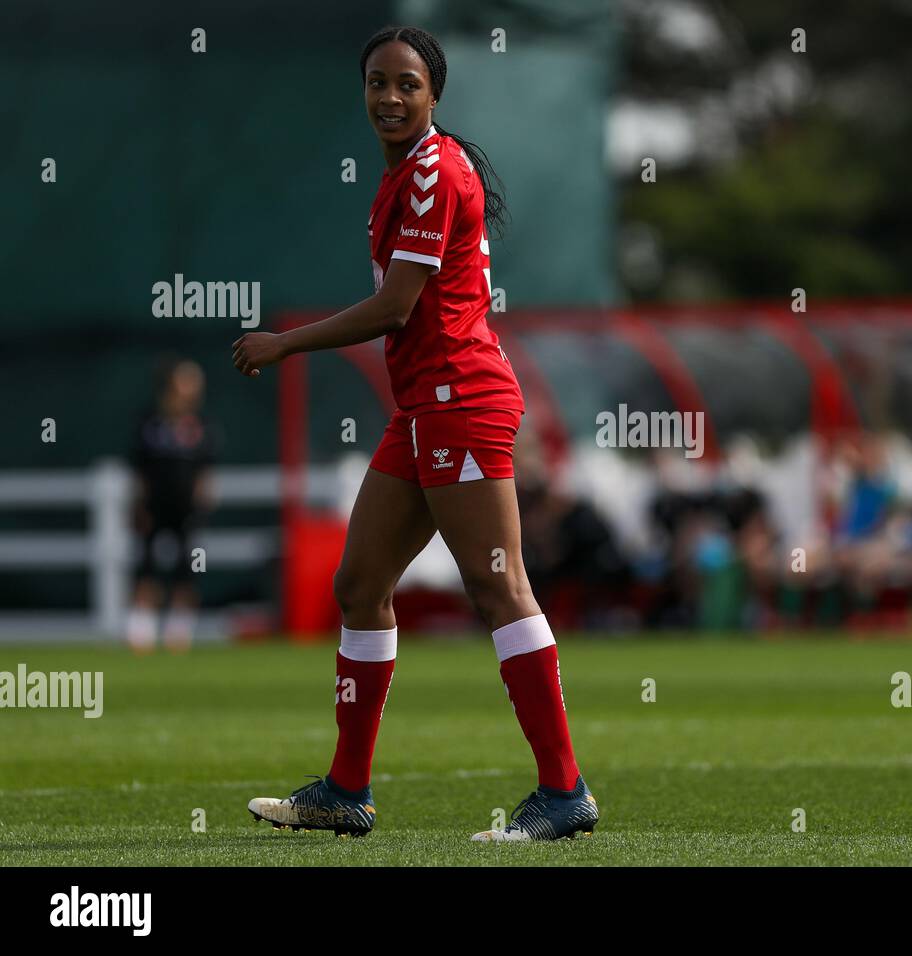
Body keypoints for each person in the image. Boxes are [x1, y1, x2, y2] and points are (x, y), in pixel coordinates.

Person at [234, 27, 597, 841]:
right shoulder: (406, 172)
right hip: (423, 406)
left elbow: (396, 307)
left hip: (459, 400)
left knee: (499, 588)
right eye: (375, 83)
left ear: (434, 94)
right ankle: (346, 791)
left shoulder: (432, 171)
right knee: (360, 585)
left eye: (406, 84)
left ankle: (565, 792)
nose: (389, 98)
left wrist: (287, 341)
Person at [125, 358, 217, 653]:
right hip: (154, 506)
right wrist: (138, 504)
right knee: (147, 565)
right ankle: (142, 629)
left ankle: (179, 631)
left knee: (186, 567)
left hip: (186, 508)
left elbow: (206, 468)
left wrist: (203, 498)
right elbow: (139, 467)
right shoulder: (150, 422)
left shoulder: (201, 425)